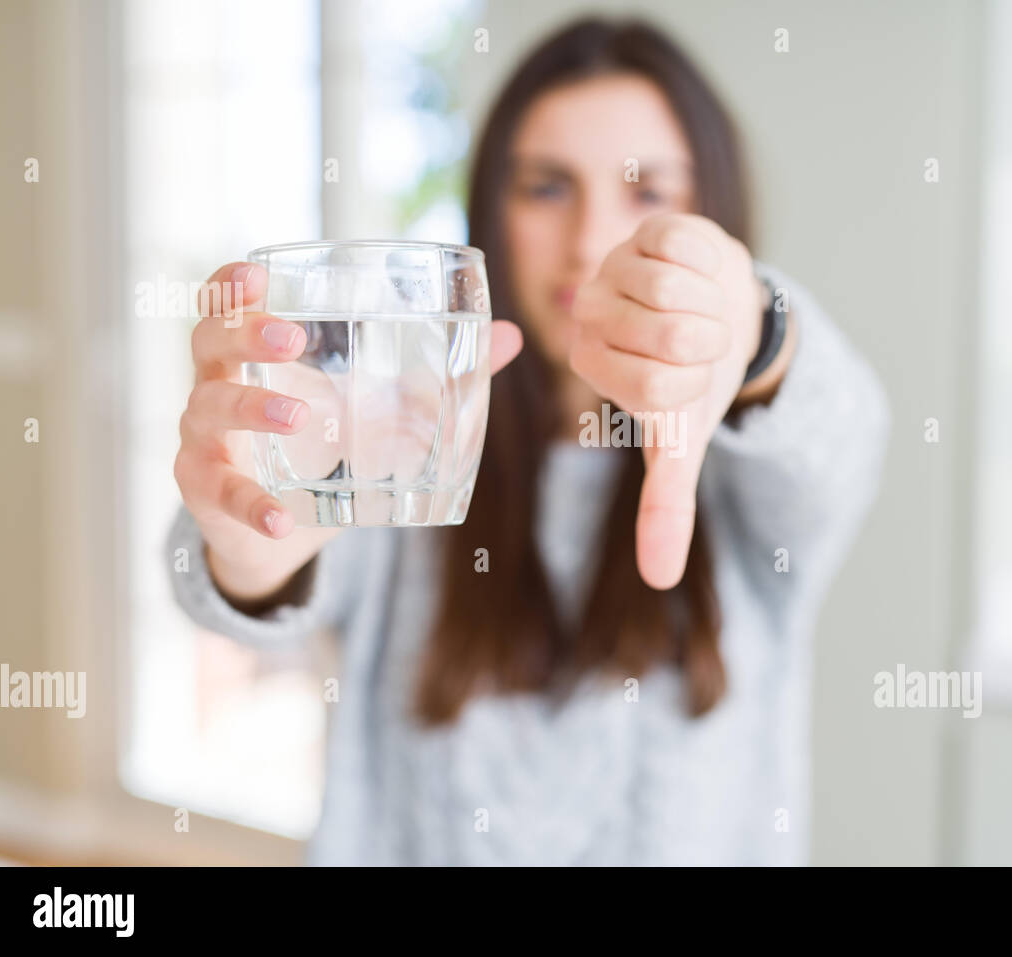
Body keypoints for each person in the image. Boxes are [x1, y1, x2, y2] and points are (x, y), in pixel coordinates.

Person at [166, 16, 888, 865]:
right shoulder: (413, 438)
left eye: (647, 191)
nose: (588, 241)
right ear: (489, 213)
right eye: (546, 188)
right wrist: (252, 541)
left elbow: (842, 431)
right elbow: (238, 598)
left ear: (713, 213)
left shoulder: (752, 472)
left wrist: (757, 328)